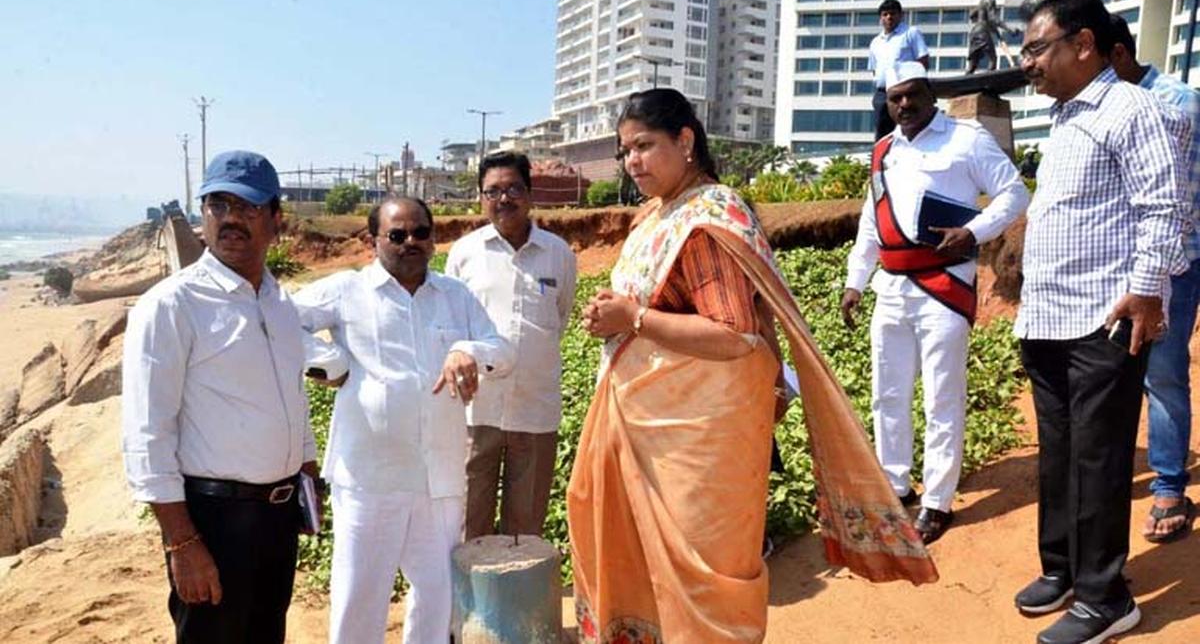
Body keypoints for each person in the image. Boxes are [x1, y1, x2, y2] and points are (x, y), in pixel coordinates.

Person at [566, 88, 937, 644]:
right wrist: (617, 313)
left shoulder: (708, 218)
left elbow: (734, 334)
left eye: (644, 145)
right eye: (625, 151)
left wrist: (634, 318)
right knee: (637, 558)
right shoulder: (657, 216)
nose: (632, 161)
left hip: (697, 443)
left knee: (701, 580)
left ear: (684, 141)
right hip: (644, 425)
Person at [1014, 0, 1190, 644]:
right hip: (1050, 320)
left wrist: (1147, 292)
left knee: (1098, 459)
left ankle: (1107, 597)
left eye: (1037, 47)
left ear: (1083, 45)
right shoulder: (1065, 117)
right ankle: (1063, 569)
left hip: (1105, 320)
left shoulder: (1130, 108)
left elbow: (1162, 210)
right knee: (1059, 454)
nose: (1026, 62)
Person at [293, 197, 514, 644]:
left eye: (421, 233)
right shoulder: (346, 290)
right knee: (360, 598)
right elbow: (278, 321)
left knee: (437, 597)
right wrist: (328, 362)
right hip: (369, 478)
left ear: (434, 239)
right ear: (373, 240)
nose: (410, 242)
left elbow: (503, 350)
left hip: (440, 478)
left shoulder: (455, 295)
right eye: (397, 234)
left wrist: (467, 350)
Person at [122, 151, 321, 643]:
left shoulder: (279, 301)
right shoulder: (171, 305)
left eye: (248, 206)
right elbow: (148, 433)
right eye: (218, 204)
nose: (231, 218)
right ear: (203, 215)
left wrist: (308, 470)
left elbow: (291, 394)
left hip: (277, 520)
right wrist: (183, 542)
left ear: (277, 219)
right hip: (212, 523)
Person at [842, 61, 1030, 544]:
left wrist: (974, 231)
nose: (903, 104)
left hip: (943, 287)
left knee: (942, 396)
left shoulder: (966, 139)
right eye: (894, 98)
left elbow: (1013, 193)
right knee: (888, 392)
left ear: (931, 94)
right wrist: (855, 280)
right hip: (892, 288)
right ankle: (895, 482)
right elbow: (871, 218)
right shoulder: (883, 149)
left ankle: (937, 501)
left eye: (912, 95)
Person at [446, 151, 577, 540]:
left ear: (530, 193)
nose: (504, 199)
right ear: (481, 197)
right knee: (470, 521)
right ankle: (470, 602)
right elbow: (453, 328)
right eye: (493, 191)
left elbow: (561, 317)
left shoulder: (559, 254)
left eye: (513, 188)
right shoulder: (465, 254)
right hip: (475, 410)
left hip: (535, 410)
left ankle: (513, 602)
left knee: (525, 526)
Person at [1109, 14, 1200, 544]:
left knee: (1163, 373)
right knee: (1116, 373)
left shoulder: (1176, 103)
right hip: (1113, 265)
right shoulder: (1103, 106)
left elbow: (1178, 207)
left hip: (1173, 266)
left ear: (1116, 54)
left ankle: (1168, 484)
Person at [868, 0, 930, 140]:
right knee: (882, 135)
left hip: (906, 92)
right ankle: (883, 162)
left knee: (910, 129)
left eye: (892, 13)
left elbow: (923, 61)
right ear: (881, 18)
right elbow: (874, 70)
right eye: (885, 14)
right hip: (883, 93)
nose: (889, 17)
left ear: (901, 15)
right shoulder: (875, 42)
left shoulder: (911, 33)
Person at [967, 0, 1021, 74]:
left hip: (975, 32)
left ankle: (964, 82)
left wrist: (985, 21)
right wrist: (1009, 29)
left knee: (973, 65)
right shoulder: (990, 0)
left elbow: (972, 15)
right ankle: (988, 81)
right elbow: (993, 18)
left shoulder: (983, 0)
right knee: (993, 60)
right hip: (982, 32)